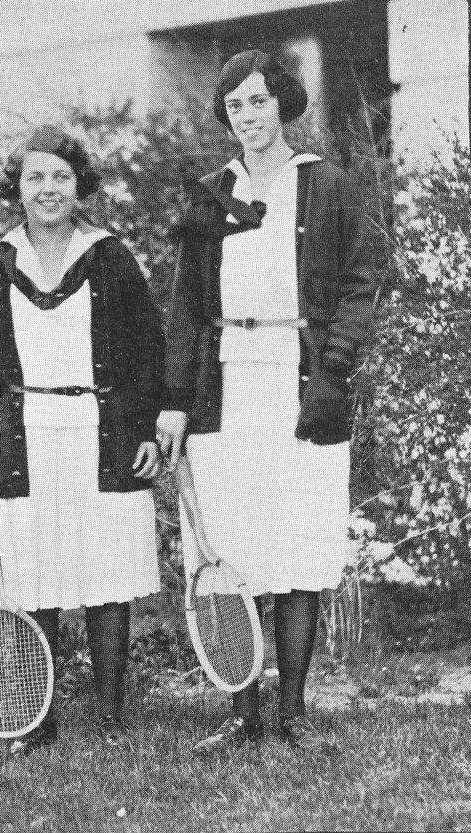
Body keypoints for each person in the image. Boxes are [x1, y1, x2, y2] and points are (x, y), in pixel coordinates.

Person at [157, 50, 375, 754]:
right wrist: (176, 400)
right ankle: (242, 712)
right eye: (235, 108)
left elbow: (360, 284)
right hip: (226, 391)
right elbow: (187, 303)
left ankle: (293, 713)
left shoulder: (327, 185)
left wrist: (334, 371)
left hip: (299, 385)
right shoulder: (209, 196)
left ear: (281, 101)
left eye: (257, 101)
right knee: (232, 550)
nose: (248, 117)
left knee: (297, 548)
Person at [0, 125, 165, 756]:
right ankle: (38, 717)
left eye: (60, 177)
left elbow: (146, 352)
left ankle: (109, 715)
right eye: (34, 178)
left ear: (79, 186)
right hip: (27, 440)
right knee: (35, 577)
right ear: (16, 190)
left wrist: (144, 428)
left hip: (102, 436)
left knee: (106, 577)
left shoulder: (111, 256)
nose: (48, 190)